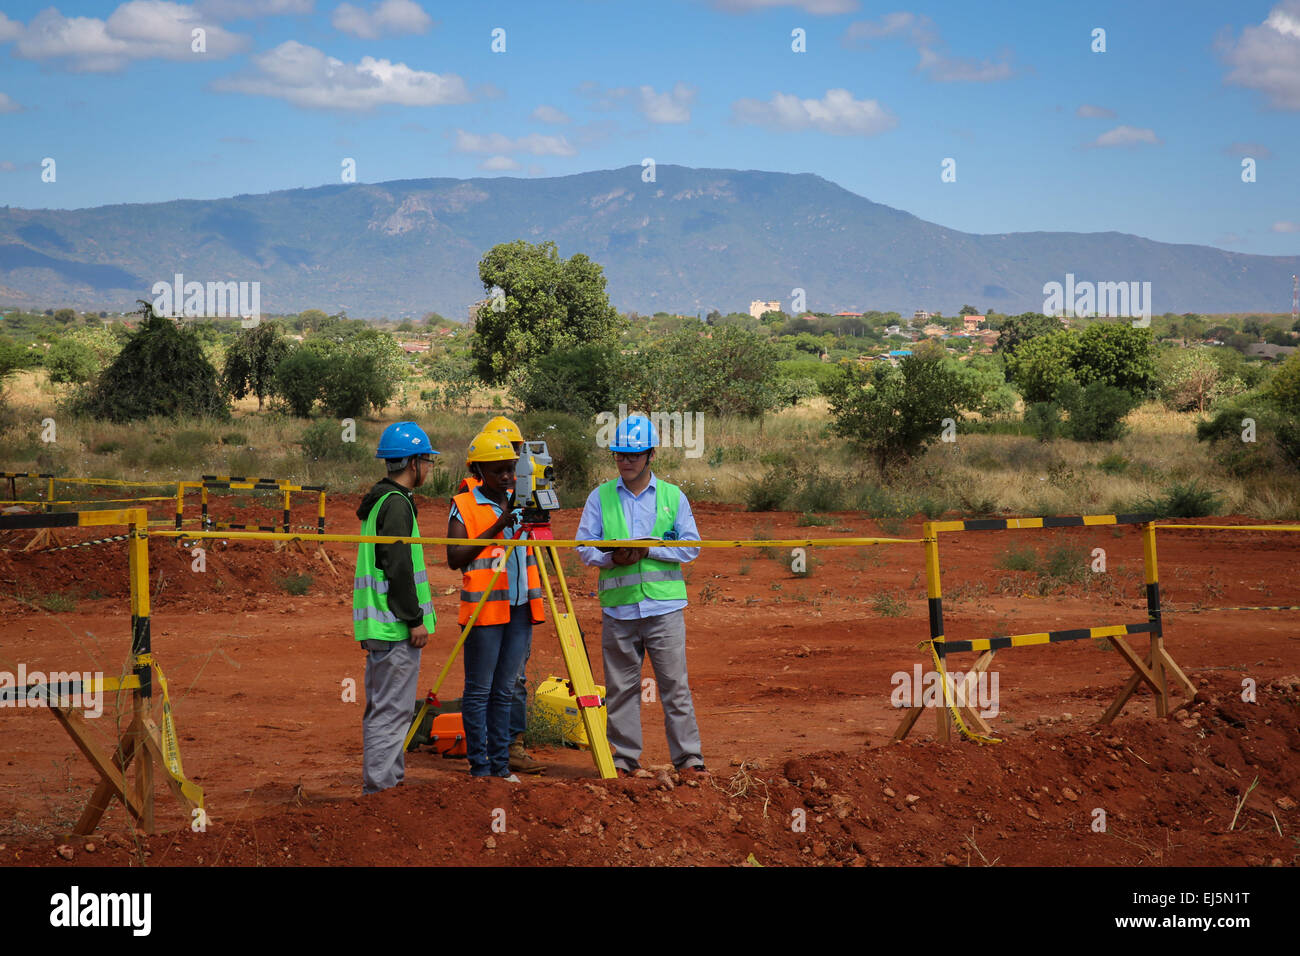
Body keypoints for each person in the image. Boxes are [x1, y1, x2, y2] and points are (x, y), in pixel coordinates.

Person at [575, 415, 708, 779]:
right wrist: (610, 557)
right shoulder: (600, 497)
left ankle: (689, 760)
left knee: (674, 687)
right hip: (619, 610)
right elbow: (584, 546)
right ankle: (624, 760)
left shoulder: (671, 496)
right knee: (620, 689)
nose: (626, 461)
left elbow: (690, 546)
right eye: (620, 455)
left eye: (633, 455)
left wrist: (651, 551)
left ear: (650, 455)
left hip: (664, 608)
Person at [447, 432, 545, 780]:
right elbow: (455, 557)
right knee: (479, 692)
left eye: (511, 469)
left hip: (519, 608)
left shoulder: (519, 502)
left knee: (504, 691)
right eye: (498, 470)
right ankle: (481, 766)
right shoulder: (465, 504)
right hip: (485, 612)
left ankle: (501, 767)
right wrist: (497, 525)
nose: (506, 476)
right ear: (478, 470)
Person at [354, 421, 439, 795]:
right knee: (392, 713)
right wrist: (415, 619)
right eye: (428, 461)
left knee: (384, 710)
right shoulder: (397, 506)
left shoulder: (381, 502)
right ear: (413, 464)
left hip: (380, 628)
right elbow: (399, 566)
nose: (431, 468)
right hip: (395, 627)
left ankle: (388, 784)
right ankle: (380, 793)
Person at [455, 416, 524, 495]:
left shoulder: (524, 485)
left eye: (515, 448)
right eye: (507, 447)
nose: (511, 453)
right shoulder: (470, 487)